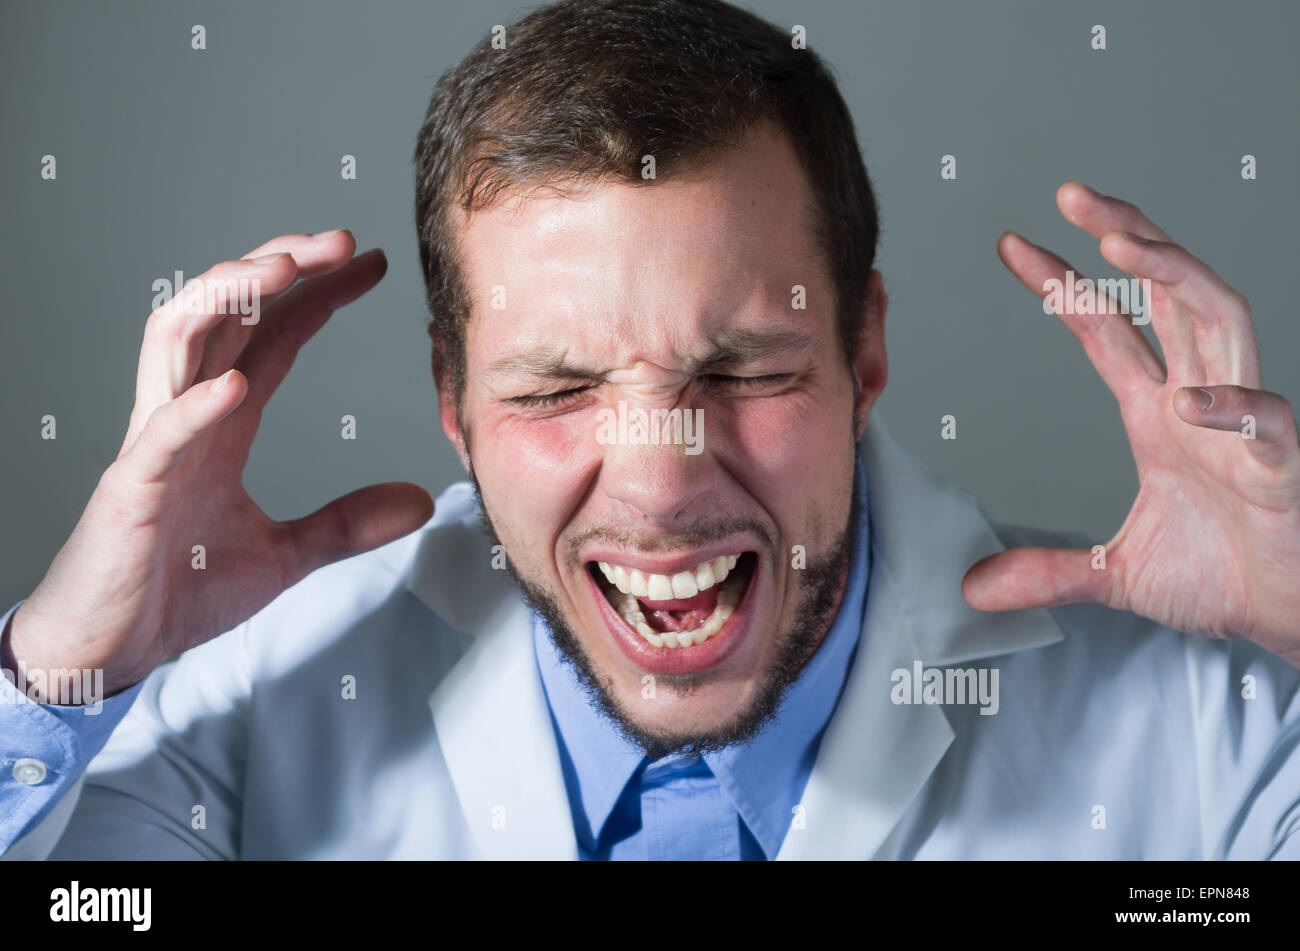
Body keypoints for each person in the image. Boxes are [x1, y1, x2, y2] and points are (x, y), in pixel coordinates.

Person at [2, 0, 1297, 860]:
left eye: (744, 369)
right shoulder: (244, 720)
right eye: (556, 390)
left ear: (866, 352)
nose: (664, 483)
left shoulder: (1198, 728)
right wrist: (58, 679)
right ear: (454, 403)